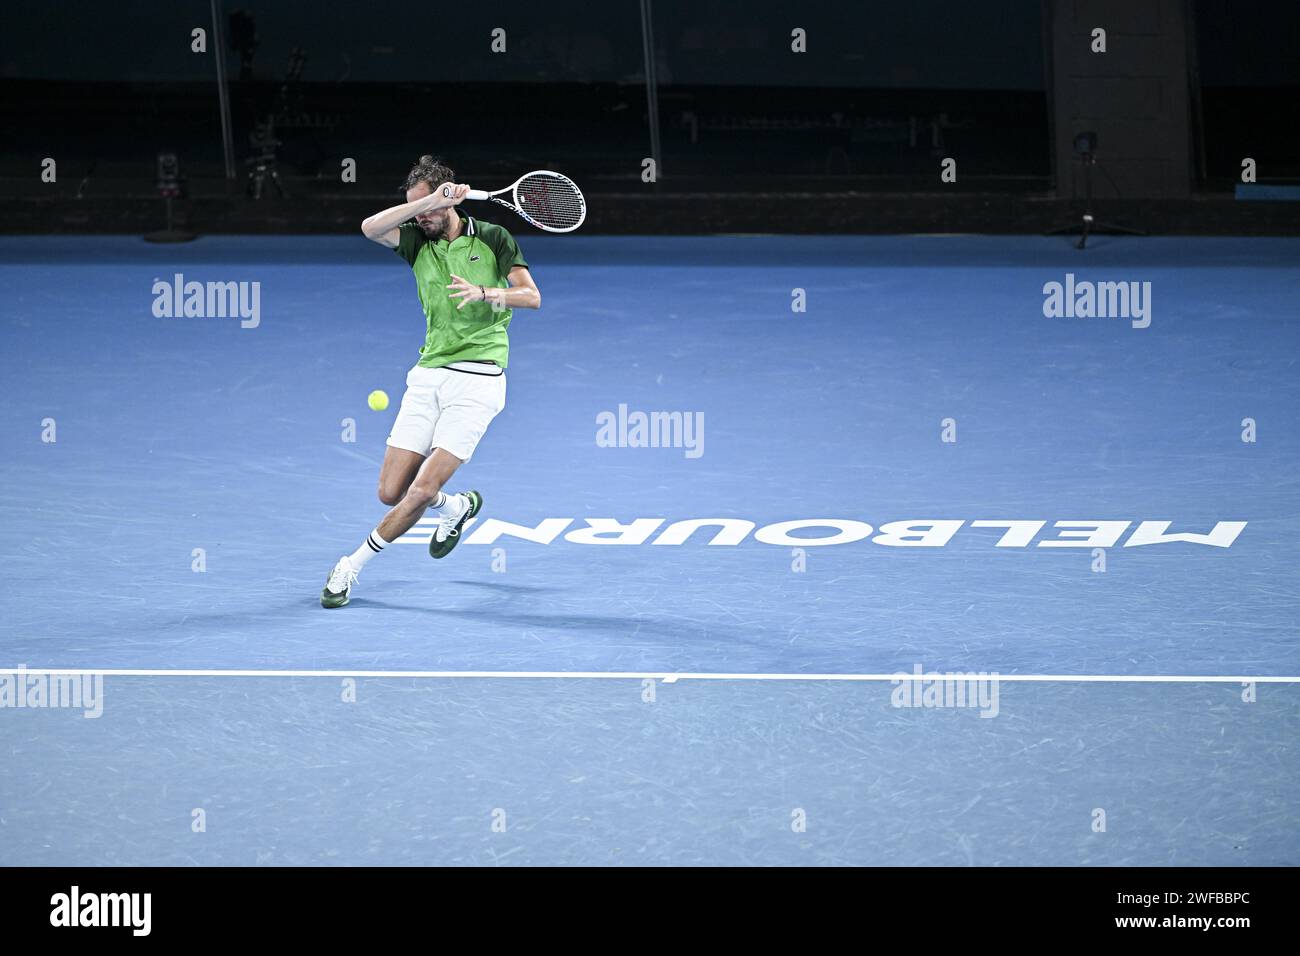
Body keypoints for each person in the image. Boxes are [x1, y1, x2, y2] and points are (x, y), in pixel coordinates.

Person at [321, 156, 541, 608]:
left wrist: (487, 293)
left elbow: (531, 296)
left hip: (479, 380)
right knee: (390, 492)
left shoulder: (494, 238)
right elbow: (369, 227)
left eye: (428, 209)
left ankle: (349, 565)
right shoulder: (416, 242)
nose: (421, 218)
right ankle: (457, 508)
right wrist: (426, 204)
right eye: (415, 210)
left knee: (421, 489)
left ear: (451, 203)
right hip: (428, 376)